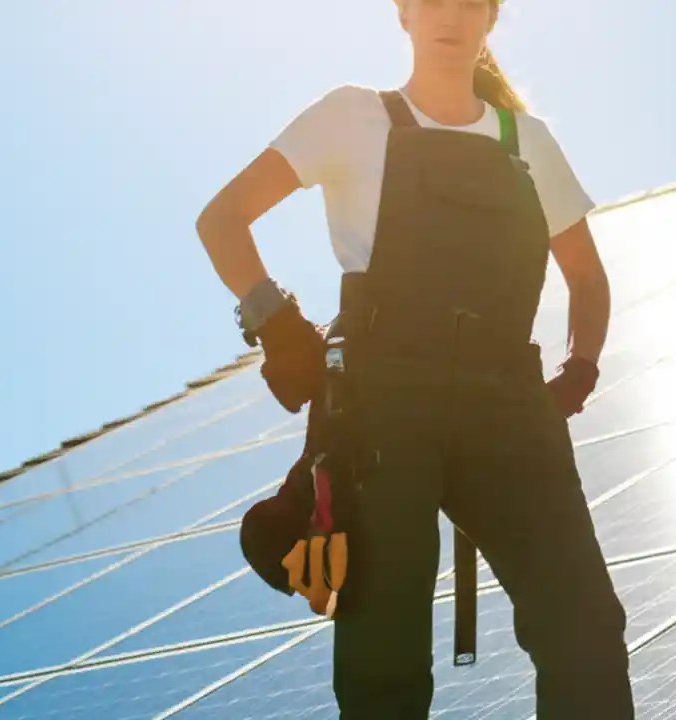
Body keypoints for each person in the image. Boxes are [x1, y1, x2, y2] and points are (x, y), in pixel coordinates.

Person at [195, 0, 633, 716]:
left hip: (511, 408)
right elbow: (222, 220)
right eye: (432, 0)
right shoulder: (351, 115)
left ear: (491, 17)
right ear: (403, 13)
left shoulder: (528, 141)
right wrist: (275, 321)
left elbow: (587, 275)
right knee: (384, 649)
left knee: (584, 625)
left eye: (469, 3)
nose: (449, 16)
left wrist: (579, 370)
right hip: (384, 403)